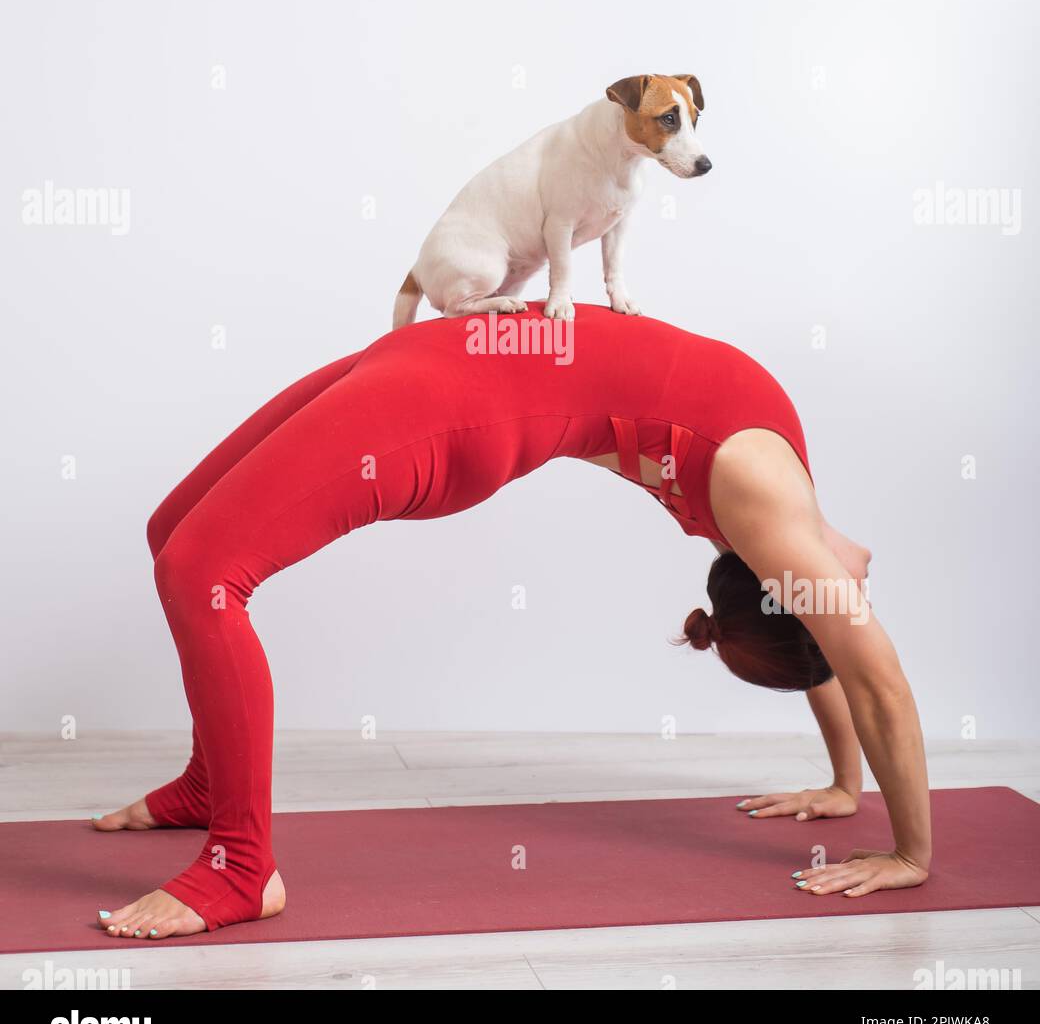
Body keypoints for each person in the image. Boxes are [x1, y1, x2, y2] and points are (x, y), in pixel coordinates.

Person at [92, 304, 930, 938]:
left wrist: (843, 785)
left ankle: (242, 865)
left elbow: (838, 656)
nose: (862, 595)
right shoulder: (770, 503)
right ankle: (215, 795)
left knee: (200, 569)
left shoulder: (781, 509)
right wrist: (911, 856)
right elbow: (873, 678)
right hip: (444, 362)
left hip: (454, 398)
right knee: (178, 534)